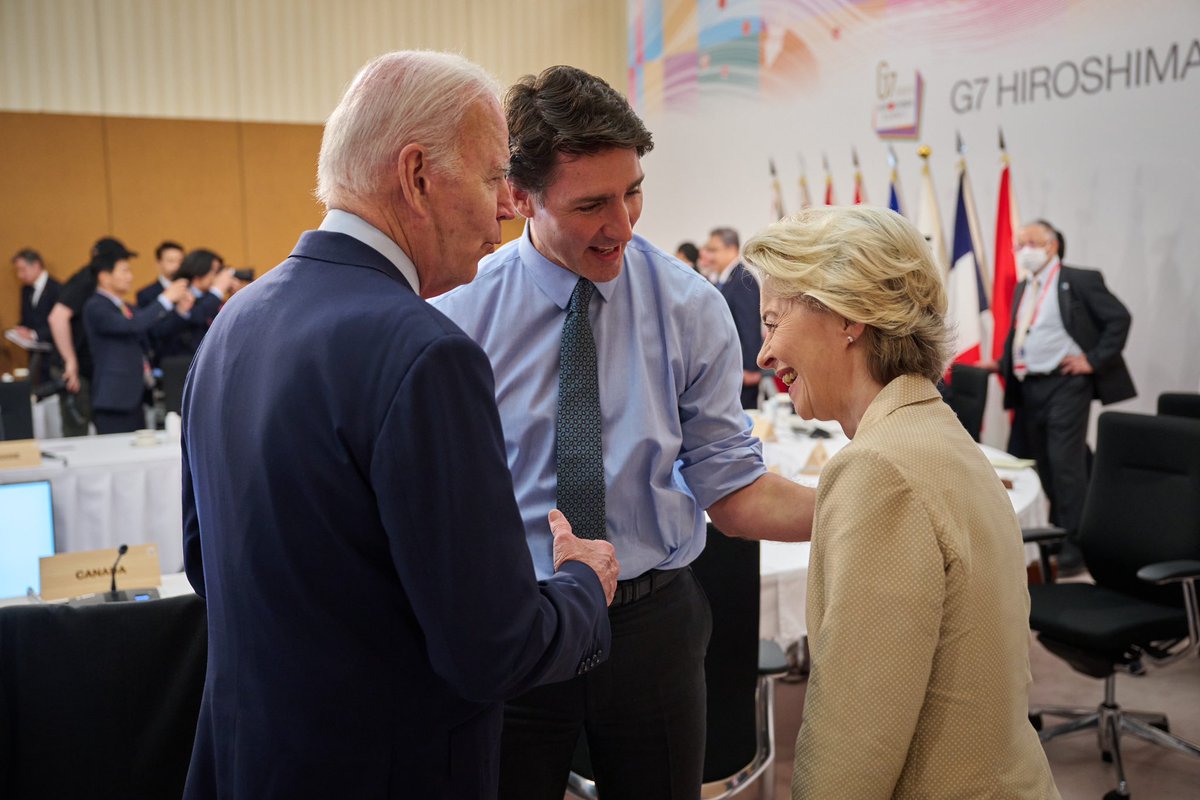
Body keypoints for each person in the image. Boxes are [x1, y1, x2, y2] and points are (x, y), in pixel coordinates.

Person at [180, 51, 618, 800]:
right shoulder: (426, 352)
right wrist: (584, 583)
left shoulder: (235, 321)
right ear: (417, 176)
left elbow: (203, 562)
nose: (507, 209)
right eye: (490, 178)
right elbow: (490, 650)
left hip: (252, 757)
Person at [432, 65, 814, 800]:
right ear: (521, 197)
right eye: (592, 204)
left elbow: (732, 492)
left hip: (653, 625)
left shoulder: (688, 306)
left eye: (633, 191)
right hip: (518, 620)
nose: (624, 225)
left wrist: (879, 500)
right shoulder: (459, 310)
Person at [745, 206, 1061, 799]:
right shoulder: (945, 438)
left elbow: (852, 737)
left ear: (845, 316)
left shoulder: (876, 470)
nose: (763, 354)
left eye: (771, 323)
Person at [997, 219, 1135, 573]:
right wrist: (1001, 364)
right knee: (1041, 461)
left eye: (1030, 241)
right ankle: (1057, 531)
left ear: (1052, 245)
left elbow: (1118, 318)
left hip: (1067, 385)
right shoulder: (1024, 288)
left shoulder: (1079, 280)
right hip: (1032, 387)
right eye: (1018, 243)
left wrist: (1092, 359)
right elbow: (1023, 335)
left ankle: (1077, 544)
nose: (1022, 249)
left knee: (1066, 464)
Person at [83, 254, 192, 434]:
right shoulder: (96, 306)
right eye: (124, 271)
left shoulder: (127, 307)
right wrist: (164, 299)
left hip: (136, 395)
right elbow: (132, 325)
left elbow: (152, 330)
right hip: (114, 398)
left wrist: (180, 311)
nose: (130, 277)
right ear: (104, 276)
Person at [48, 237, 137, 436]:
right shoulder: (86, 279)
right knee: (77, 428)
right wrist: (69, 360)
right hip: (73, 366)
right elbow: (57, 317)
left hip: (89, 364)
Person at [701, 227, 763, 409]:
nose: (709, 256)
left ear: (731, 249)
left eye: (714, 250)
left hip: (743, 374)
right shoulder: (725, 279)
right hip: (728, 371)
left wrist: (751, 368)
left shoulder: (743, 279)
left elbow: (749, 326)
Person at [149, 248, 232, 365]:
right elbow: (196, 316)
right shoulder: (178, 292)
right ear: (200, 270)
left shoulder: (212, 298)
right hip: (181, 365)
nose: (216, 277)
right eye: (214, 271)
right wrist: (217, 290)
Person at [11, 248, 61, 383]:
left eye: (23, 269)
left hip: (52, 356)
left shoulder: (56, 289)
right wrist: (20, 329)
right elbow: (26, 318)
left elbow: (60, 324)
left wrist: (34, 334)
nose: (20, 275)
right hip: (34, 358)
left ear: (36, 265)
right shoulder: (26, 290)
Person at [136, 240, 185, 308]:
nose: (177, 265)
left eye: (180, 261)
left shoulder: (188, 289)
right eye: (171, 261)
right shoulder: (146, 294)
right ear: (159, 263)